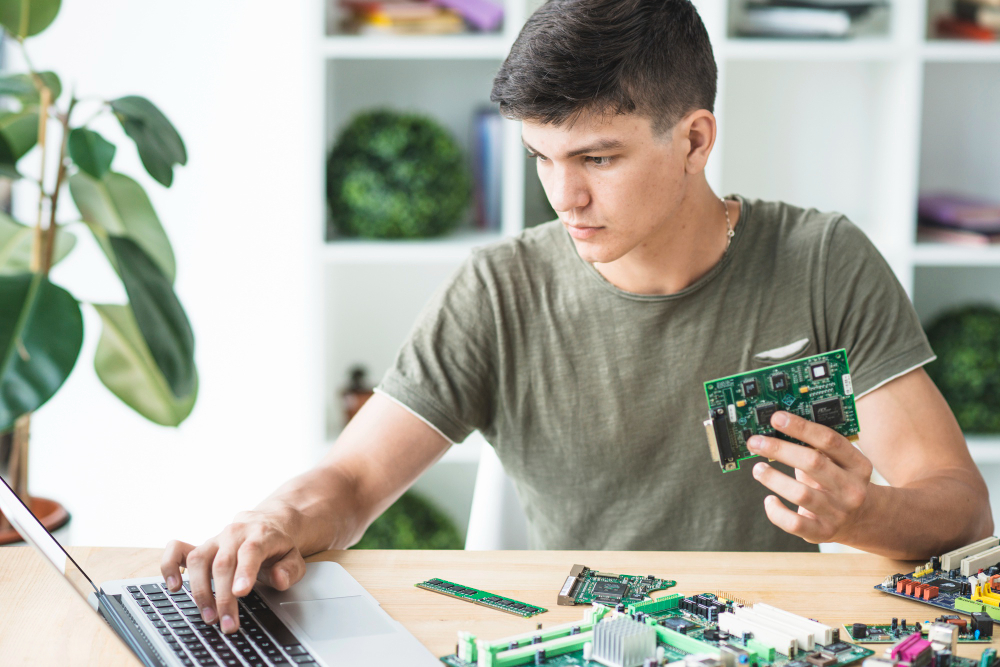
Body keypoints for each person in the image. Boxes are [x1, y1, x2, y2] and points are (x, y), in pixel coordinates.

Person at [162, 0, 992, 635]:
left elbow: (960, 507)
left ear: (696, 139)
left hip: (766, 640)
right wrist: (272, 519)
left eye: (598, 158)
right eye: (541, 159)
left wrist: (862, 514)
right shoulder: (498, 287)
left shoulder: (823, 260)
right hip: (581, 638)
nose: (566, 198)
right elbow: (349, 483)